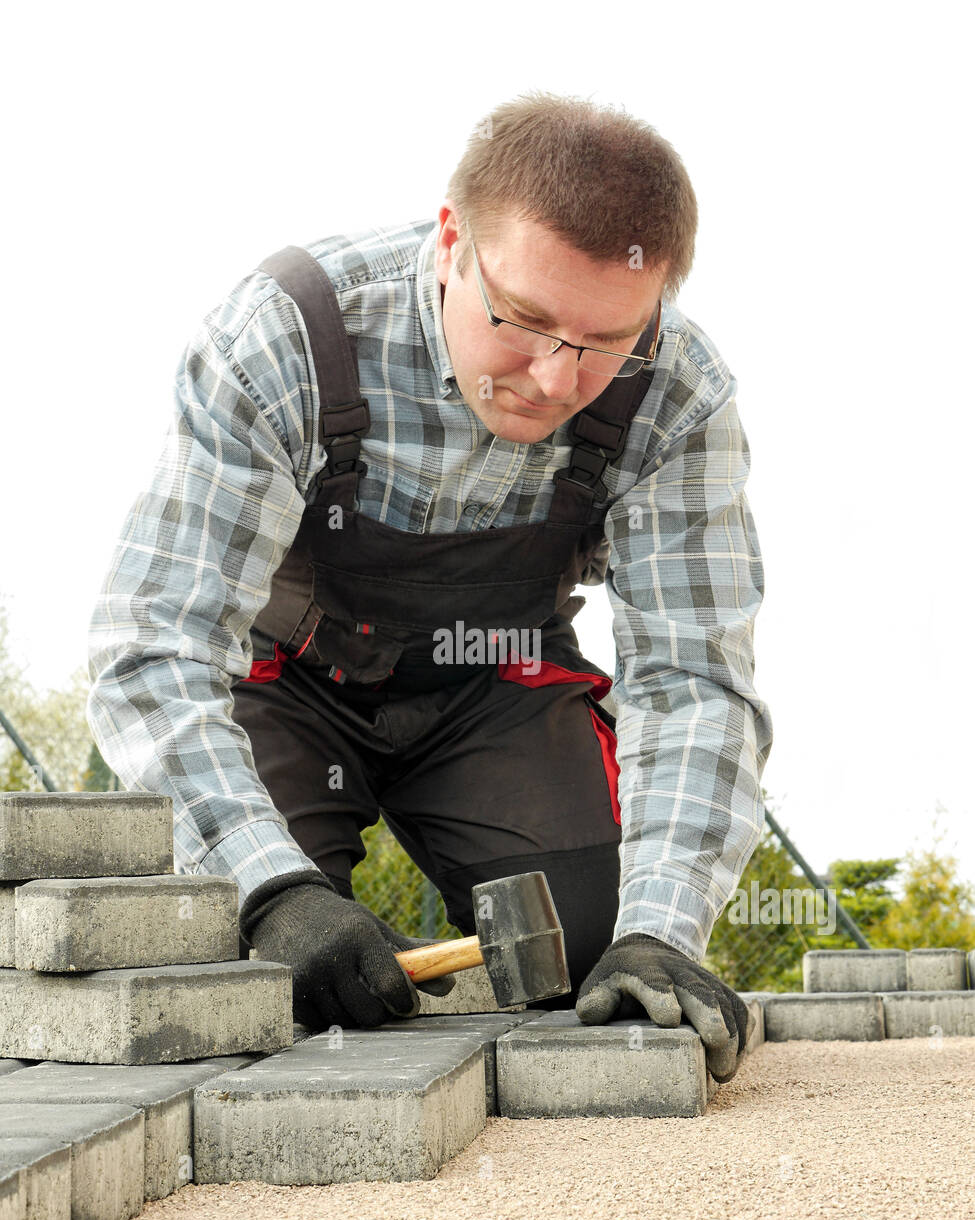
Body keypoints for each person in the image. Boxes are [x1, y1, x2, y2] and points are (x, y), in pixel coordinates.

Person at [87, 92, 773, 1084]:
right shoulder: (288, 335)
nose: (551, 376)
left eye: (604, 341)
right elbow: (151, 644)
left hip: (493, 688)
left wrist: (662, 930)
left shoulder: (678, 391)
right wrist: (269, 891)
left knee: (600, 951)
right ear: (453, 243)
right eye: (523, 320)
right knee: (255, 986)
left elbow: (696, 680)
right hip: (277, 688)